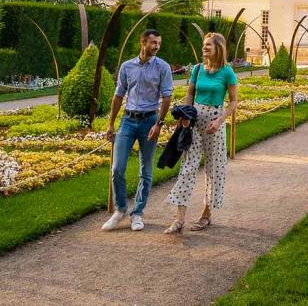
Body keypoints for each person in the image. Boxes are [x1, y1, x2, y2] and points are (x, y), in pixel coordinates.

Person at [164, 32, 239, 233]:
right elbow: (190, 93)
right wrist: (186, 115)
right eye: (204, 45)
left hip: (215, 123)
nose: (204, 48)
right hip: (195, 121)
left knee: (213, 170)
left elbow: (233, 102)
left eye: (208, 45)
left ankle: (206, 215)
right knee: (188, 166)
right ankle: (179, 219)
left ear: (218, 48)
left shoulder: (227, 72)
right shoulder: (197, 69)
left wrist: (220, 120)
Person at [102, 29, 174, 232]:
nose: (157, 46)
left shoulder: (163, 67)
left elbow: (167, 97)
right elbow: (118, 96)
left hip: (150, 120)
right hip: (128, 120)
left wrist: (158, 124)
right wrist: (111, 124)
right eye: (153, 43)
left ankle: (138, 213)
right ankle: (121, 209)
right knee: (117, 168)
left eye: (159, 43)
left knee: (145, 170)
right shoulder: (127, 67)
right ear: (142, 42)